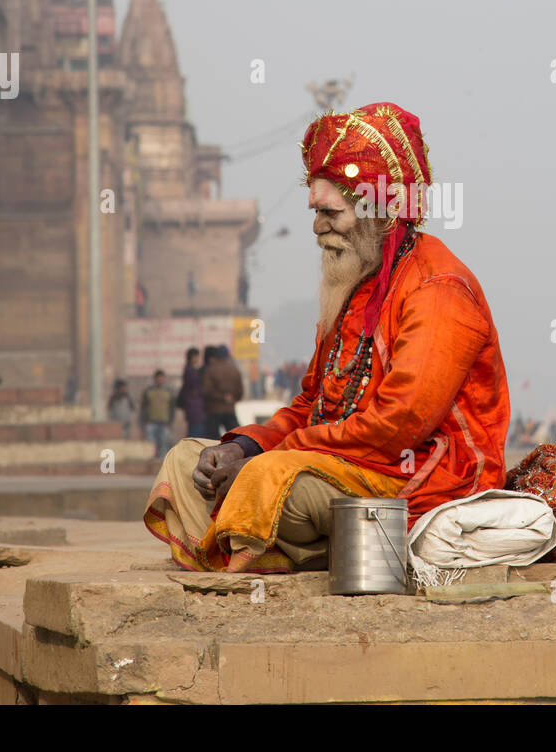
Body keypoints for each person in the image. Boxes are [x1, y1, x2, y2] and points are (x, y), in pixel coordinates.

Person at [145, 102, 510, 573]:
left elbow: (397, 426)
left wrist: (272, 458)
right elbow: (311, 404)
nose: (317, 228)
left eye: (331, 213)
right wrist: (244, 447)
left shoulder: (437, 289)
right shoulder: (353, 289)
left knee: (269, 479)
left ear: (379, 211)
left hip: (421, 480)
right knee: (187, 460)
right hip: (342, 465)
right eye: (315, 212)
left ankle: (285, 546)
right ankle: (272, 546)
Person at [201, 345, 244, 440]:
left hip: (214, 409)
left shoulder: (210, 370)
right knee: (236, 436)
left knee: (210, 439)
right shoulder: (234, 370)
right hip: (230, 409)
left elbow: (207, 390)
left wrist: (221, 397)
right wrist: (233, 398)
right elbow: (240, 391)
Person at [140, 369, 176, 459]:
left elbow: (172, 408)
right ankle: (151, 462)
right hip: (151, 422)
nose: (160, 380)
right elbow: (144, 408)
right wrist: (144, 421)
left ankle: (162, 463)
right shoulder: (148, 391)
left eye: (162, 378)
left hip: (164, 422)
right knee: (151, 444)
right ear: (155, 379)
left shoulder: (169, 392)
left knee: (164, 443)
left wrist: (170, 421)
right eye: (158, 378)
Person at [176, 347, 205, 440]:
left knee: (194, 430)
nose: (198, 359)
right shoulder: (190, 371)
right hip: (194, 406)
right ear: (192, 357)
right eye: (196, 356)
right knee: (195, 432)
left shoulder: (191, 369)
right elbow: (193, 388)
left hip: (193, 406)